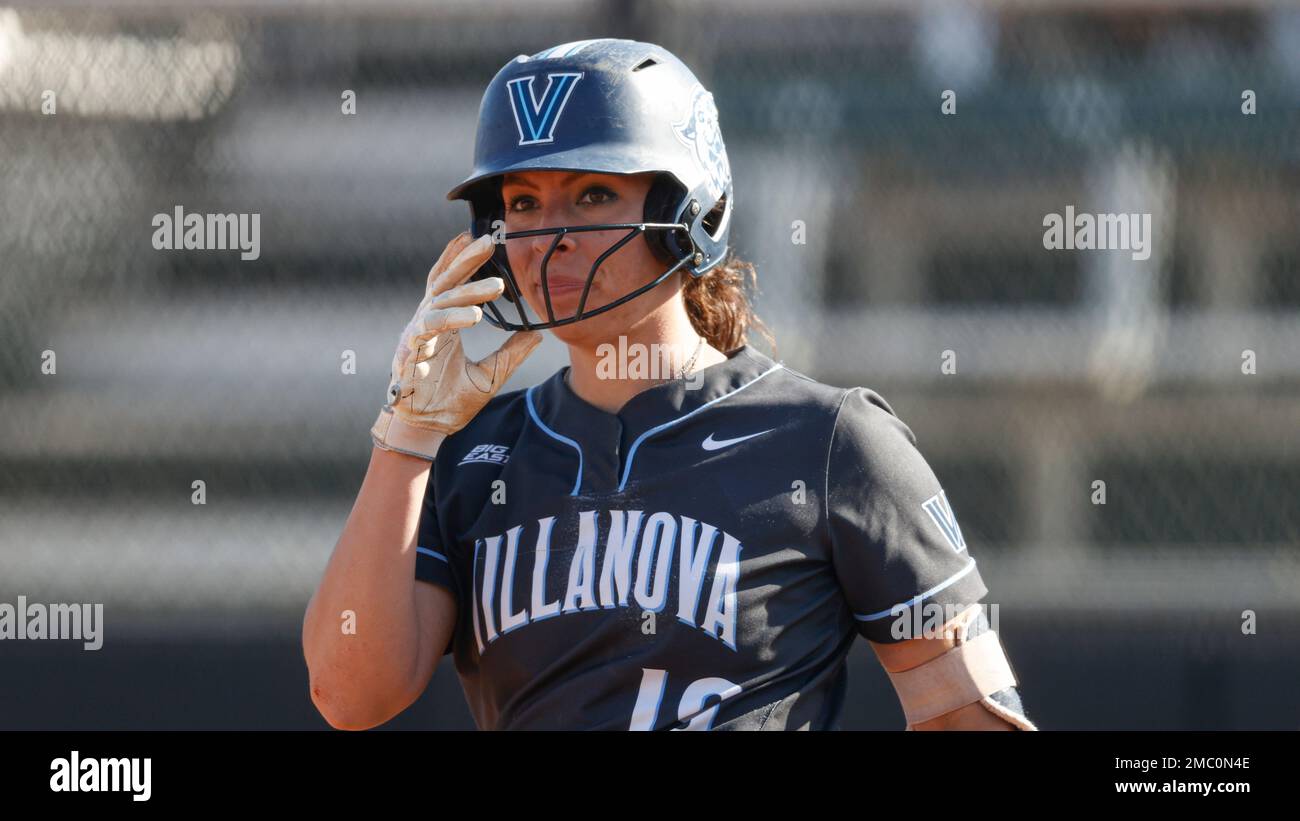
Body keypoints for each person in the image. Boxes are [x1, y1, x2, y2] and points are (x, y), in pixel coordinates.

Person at [302, 38, 1036, 731]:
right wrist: (407, 435)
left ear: (694, 213)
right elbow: (349, 693)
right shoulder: (470, 455)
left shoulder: (830, 441)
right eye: (522, 202)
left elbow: (966, 715)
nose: (547, 231)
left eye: (591, 194)